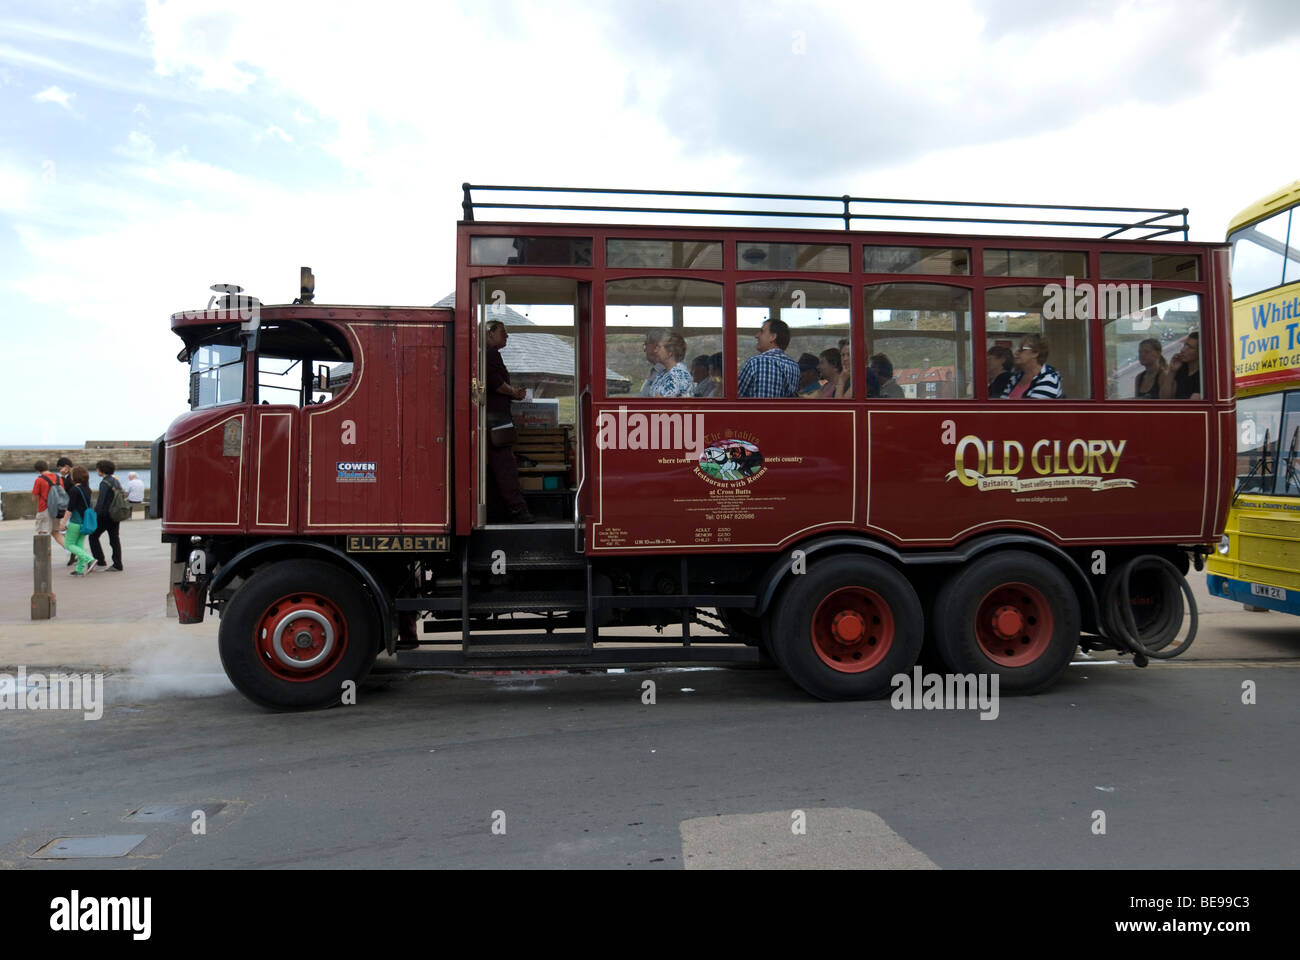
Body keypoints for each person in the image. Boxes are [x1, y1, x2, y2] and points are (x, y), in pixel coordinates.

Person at [483, 320, 534, 523]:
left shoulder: (486, 354)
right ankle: (517, 509)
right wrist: (514, 392)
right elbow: (496, 383)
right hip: (497, 420)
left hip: (493, 417)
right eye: (502, 332)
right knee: (505, 465)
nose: (507, 336)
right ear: (490, 333)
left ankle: (501, 510)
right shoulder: (491, 354)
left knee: (498, 466)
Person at [738, 318, 800, 397]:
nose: (756, 335)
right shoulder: (794, 366)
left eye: (762, 332)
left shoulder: (758, 362)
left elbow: (734, 397)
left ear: (772, 337)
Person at [1001, 334, 1064, 399]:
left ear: (1035, 353)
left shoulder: (1048, 379)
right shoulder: (1016, 377)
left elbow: (1033, 408)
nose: (1016, 352)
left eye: (1021, 349)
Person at [89, 459, 124, 571]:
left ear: (101, 470)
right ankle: (117, 563)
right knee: (114, 539)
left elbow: (101, 501)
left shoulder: (104, 483)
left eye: (97, 468)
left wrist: (96, 514)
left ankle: (100, 560)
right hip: (115, 514)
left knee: (93, 536)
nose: (96, 470)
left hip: (105, 515)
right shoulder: (115, 481)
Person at [64, 465, 97, 576]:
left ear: (74, 476)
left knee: (68, 544)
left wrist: (63, 523)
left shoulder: (74, 490)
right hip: (84, 522)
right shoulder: (87, 489)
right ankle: (79, 569)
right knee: (79, 545)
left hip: (75, 522)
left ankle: (90, 559)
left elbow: (70, 509)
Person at [649, 331, 695, 397]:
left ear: (670, 352)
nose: (655, 351)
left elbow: (663, 404)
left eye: (658, 347)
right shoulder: (663, 373)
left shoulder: (679, 375)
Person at [1160, 331, 1201, 400]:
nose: (1182, 350)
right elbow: (1164, 398)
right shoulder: (1181, 368)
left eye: (1190, 347)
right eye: (1185, 345)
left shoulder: (1203, 376)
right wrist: (1172, 371)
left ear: (1200, 351)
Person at [30, 460, 62, 540]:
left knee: (42, 532)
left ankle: (43, 552)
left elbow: (34, 497)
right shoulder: (58, 478)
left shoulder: (39, 480)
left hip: (44, 508)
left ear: (37, 470)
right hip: (57, 509)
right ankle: (70, 550)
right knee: (56, 532)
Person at [57, 457, 75, 565]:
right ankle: (73, 552)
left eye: (60, 468)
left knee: (63, 531)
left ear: (66, 467)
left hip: (71, 508)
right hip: (74, 507)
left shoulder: (70, 477)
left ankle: (74, 552)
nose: (60, 470)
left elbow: (63, 488)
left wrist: (62, 476)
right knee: (68, 532)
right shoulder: (76, 474)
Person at [639, 332, 667, 396]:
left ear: (656, 346)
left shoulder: (668, 373)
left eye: (645, 345)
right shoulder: (655, 371)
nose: (644, 350)